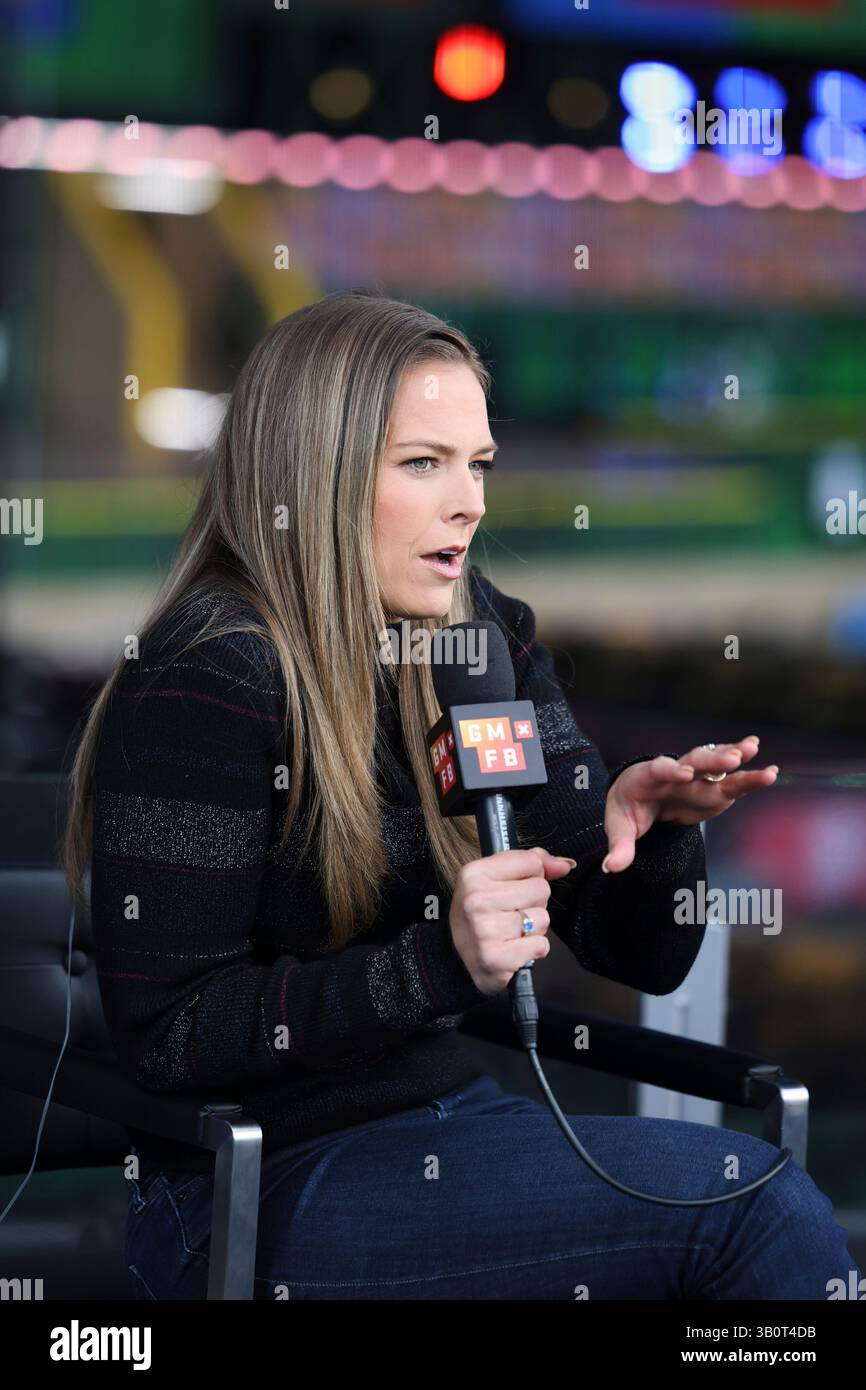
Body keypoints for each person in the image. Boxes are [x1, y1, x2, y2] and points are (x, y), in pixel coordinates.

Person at [62, 291, 860, 1300]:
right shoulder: (208, 673)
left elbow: (642, 955)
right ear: (315, 476)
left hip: (455, 1132)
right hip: (251, 1183)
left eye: (476, 463)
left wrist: (649, 835)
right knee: (747, 1210)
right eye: (422, 463)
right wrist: (435, 963)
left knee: (745, 1207)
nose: (470, 502)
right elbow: (172, 1037)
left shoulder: (482, 643)